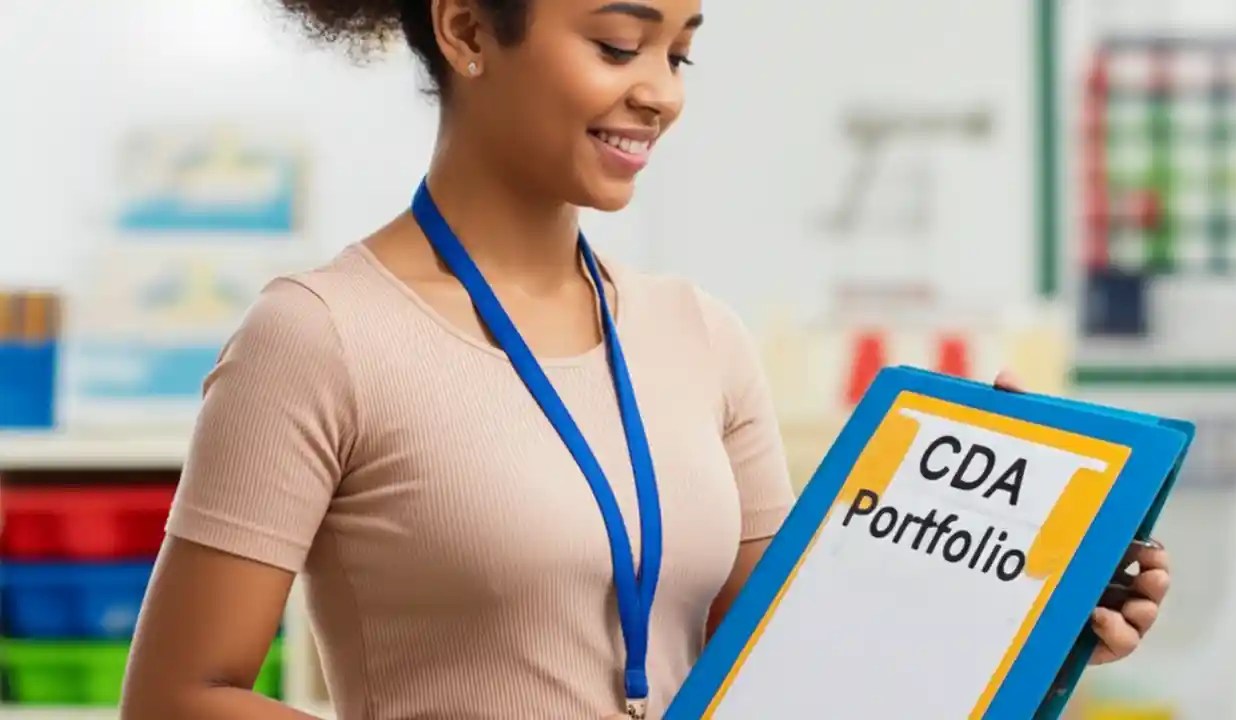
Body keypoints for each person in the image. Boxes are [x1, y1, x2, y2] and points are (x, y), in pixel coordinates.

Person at [119, 1, 1173, 718]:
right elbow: (175, 698)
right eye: (620, 44)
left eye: (679, 51)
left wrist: (1024, 596)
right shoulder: (319, 333)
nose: (662, 94)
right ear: (467, 28)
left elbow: (786, 666)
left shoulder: (697, 334)